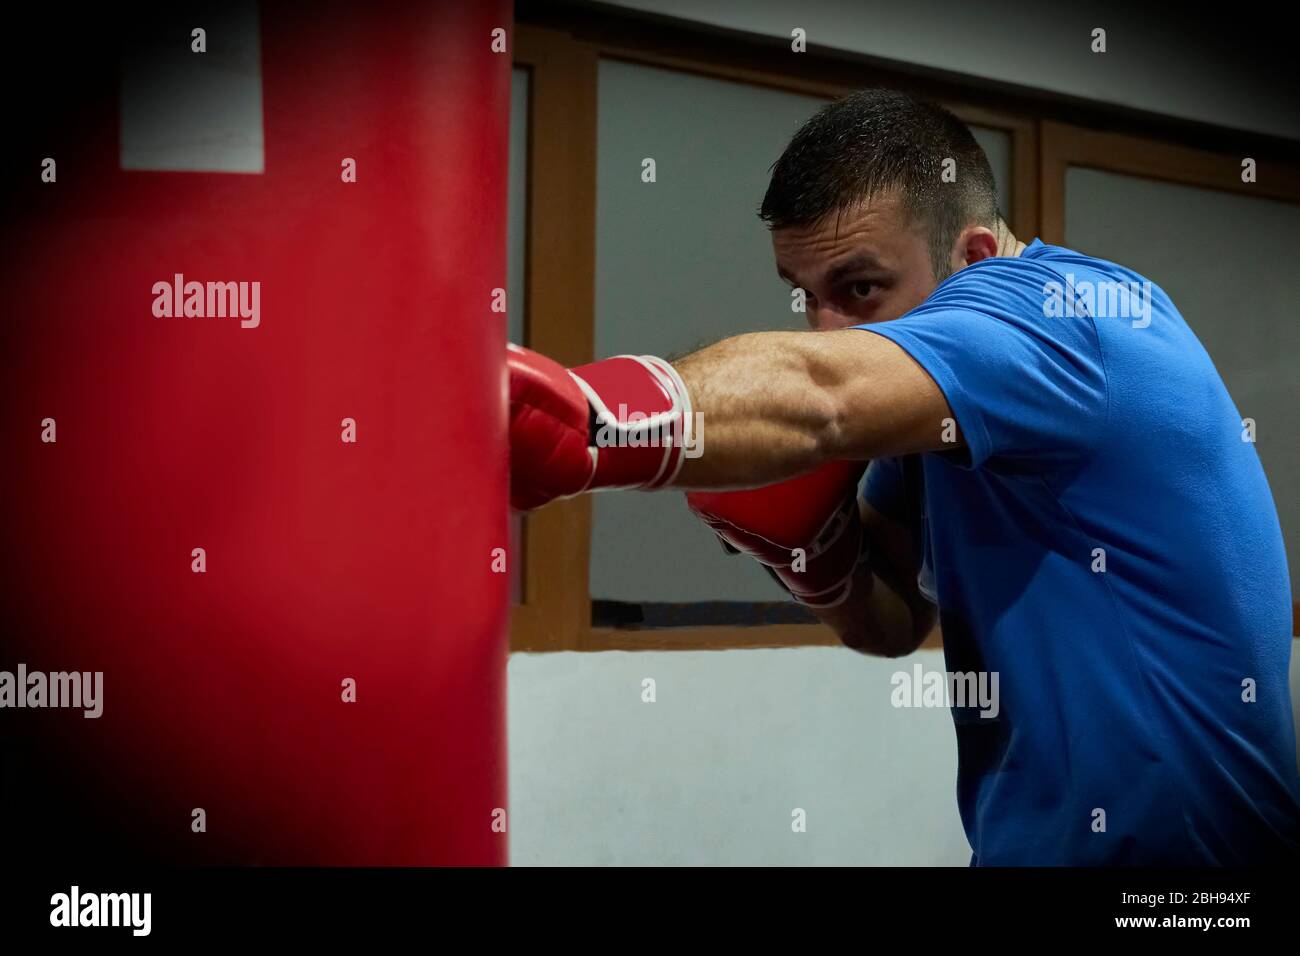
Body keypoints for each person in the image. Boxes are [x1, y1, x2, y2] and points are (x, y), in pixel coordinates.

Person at [507, 89, 1300, 865]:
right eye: (806, 296)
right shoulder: (941, 416)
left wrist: (576, 423)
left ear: (975, 260)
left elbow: (821, 393)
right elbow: (890, 625)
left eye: (859, 289)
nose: (826, 329)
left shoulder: (1066, 316)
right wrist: (811, 558)